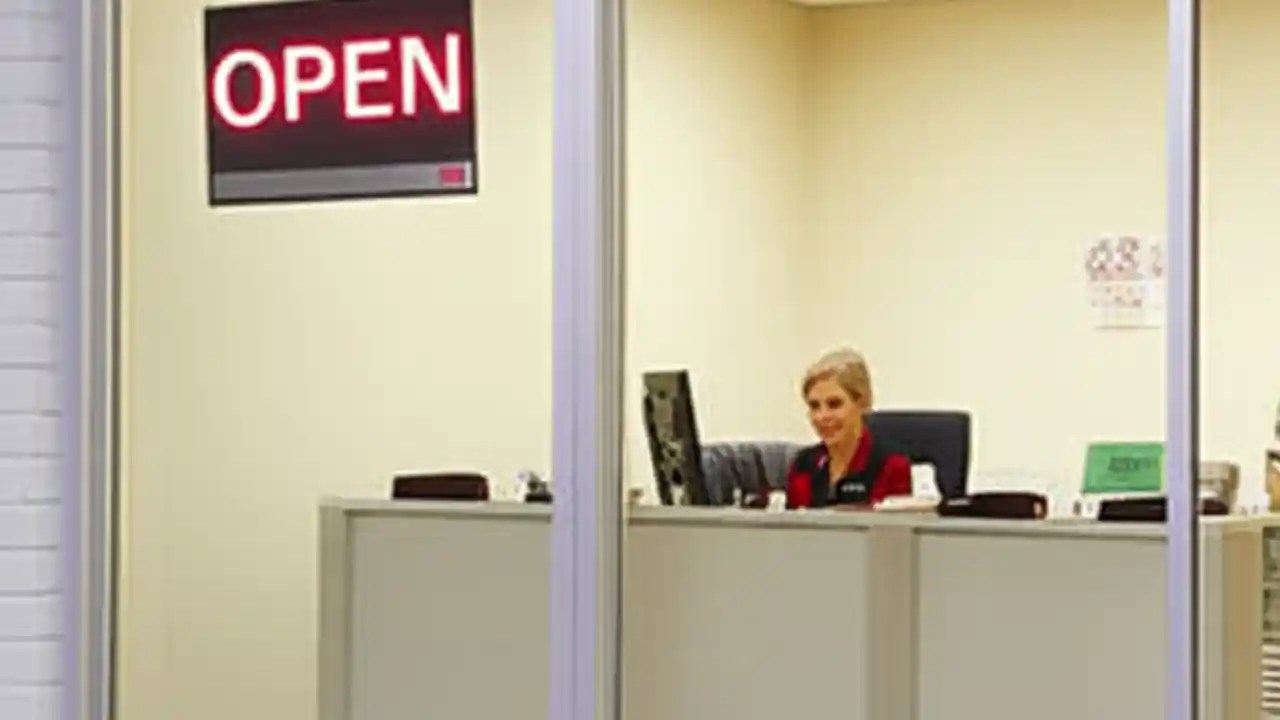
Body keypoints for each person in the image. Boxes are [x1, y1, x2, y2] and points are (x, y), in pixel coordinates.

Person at [786, 348, 911, 509]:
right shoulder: (803, 465)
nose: (821, 416)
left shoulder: (891, 466)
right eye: (814, 406)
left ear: (863, 403)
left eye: (834, 404)